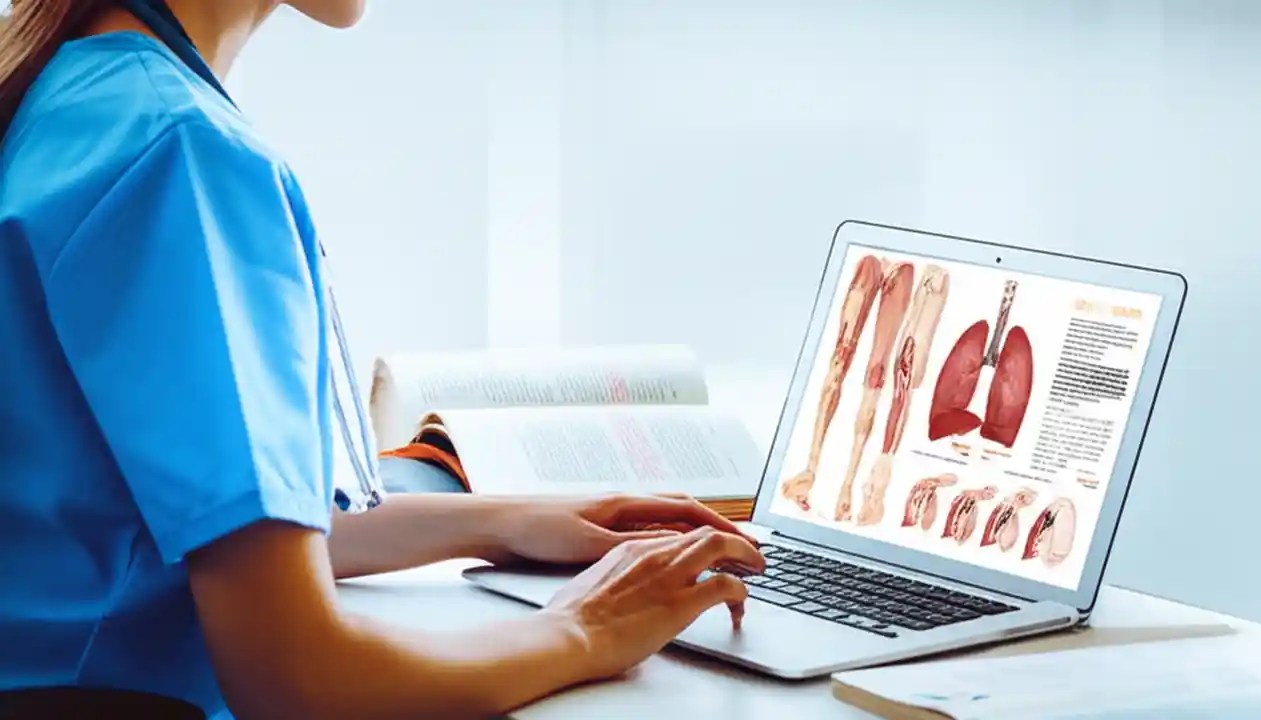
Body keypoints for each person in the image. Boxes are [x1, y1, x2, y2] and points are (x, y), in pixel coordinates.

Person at [0, 1, 766, 718]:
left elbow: (199, 538)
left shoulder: (84, 91)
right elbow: (296, 674)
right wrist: (582, 631)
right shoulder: (184, 156)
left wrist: (512, 521)